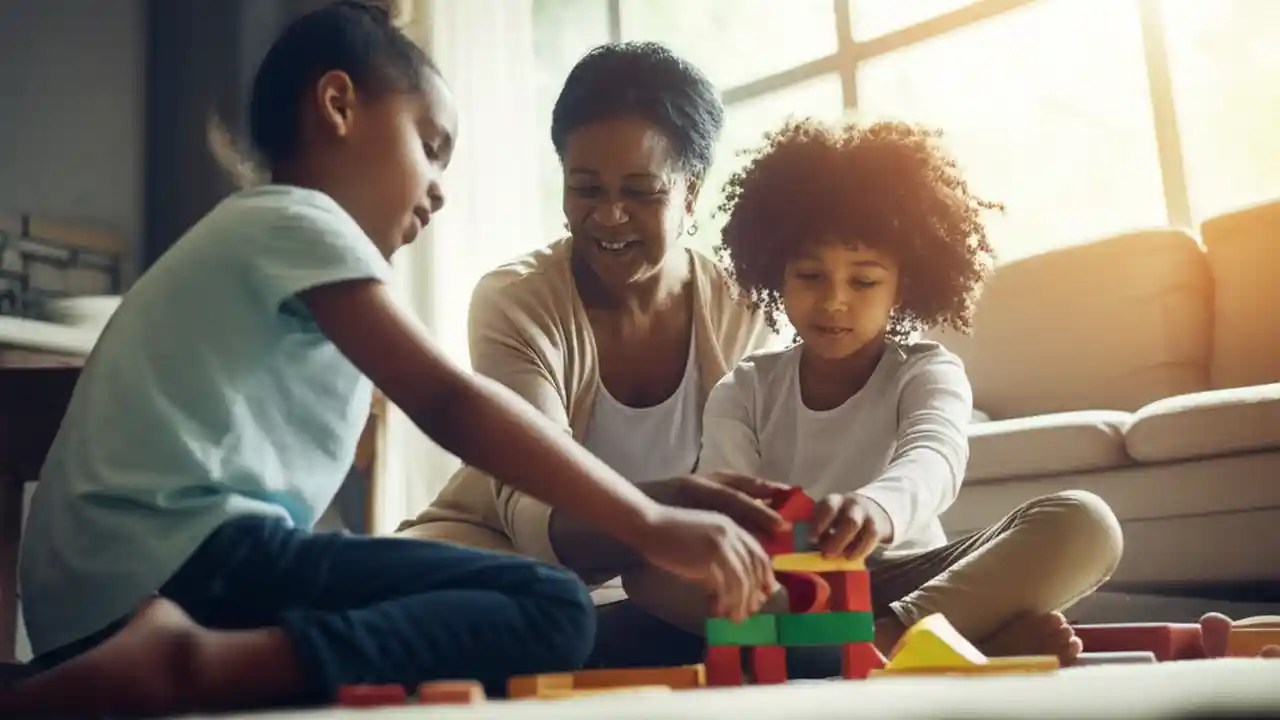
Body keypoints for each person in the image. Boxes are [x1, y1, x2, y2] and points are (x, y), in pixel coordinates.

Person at [0, 5, 774, 717]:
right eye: (430, 147)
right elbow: (448, 401)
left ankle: (193, 660)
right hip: (180, 566)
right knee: (552, 608)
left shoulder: (258, 239)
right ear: (339, 106)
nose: (438, 191)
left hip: (99, 603)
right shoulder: (300, 218)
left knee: (453, 612)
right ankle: (189, 665)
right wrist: (648, 520)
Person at [397, 41, 786, 667]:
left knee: (791, 622)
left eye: (640, 191)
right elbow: (532, 514)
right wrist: (669, 508)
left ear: (690, 194)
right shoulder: (515, 302)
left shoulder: (745, 306)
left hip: (668, 570)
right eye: (585, 188)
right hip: (496, 547)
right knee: (501, 616)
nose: (608, 215)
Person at [690, 118, 1125, 666]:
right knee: (650, 572)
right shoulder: (745, 388)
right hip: (788, 591)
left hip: (915, 584)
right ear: (776, 273)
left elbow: (934, 458)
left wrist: (874, 508)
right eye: (810, 276)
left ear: (905, 285)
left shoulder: (926, 371)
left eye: (864, 281)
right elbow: (727, 513)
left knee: (1085, 522)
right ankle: (961, 647)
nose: (833, 302)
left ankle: (885, 644)